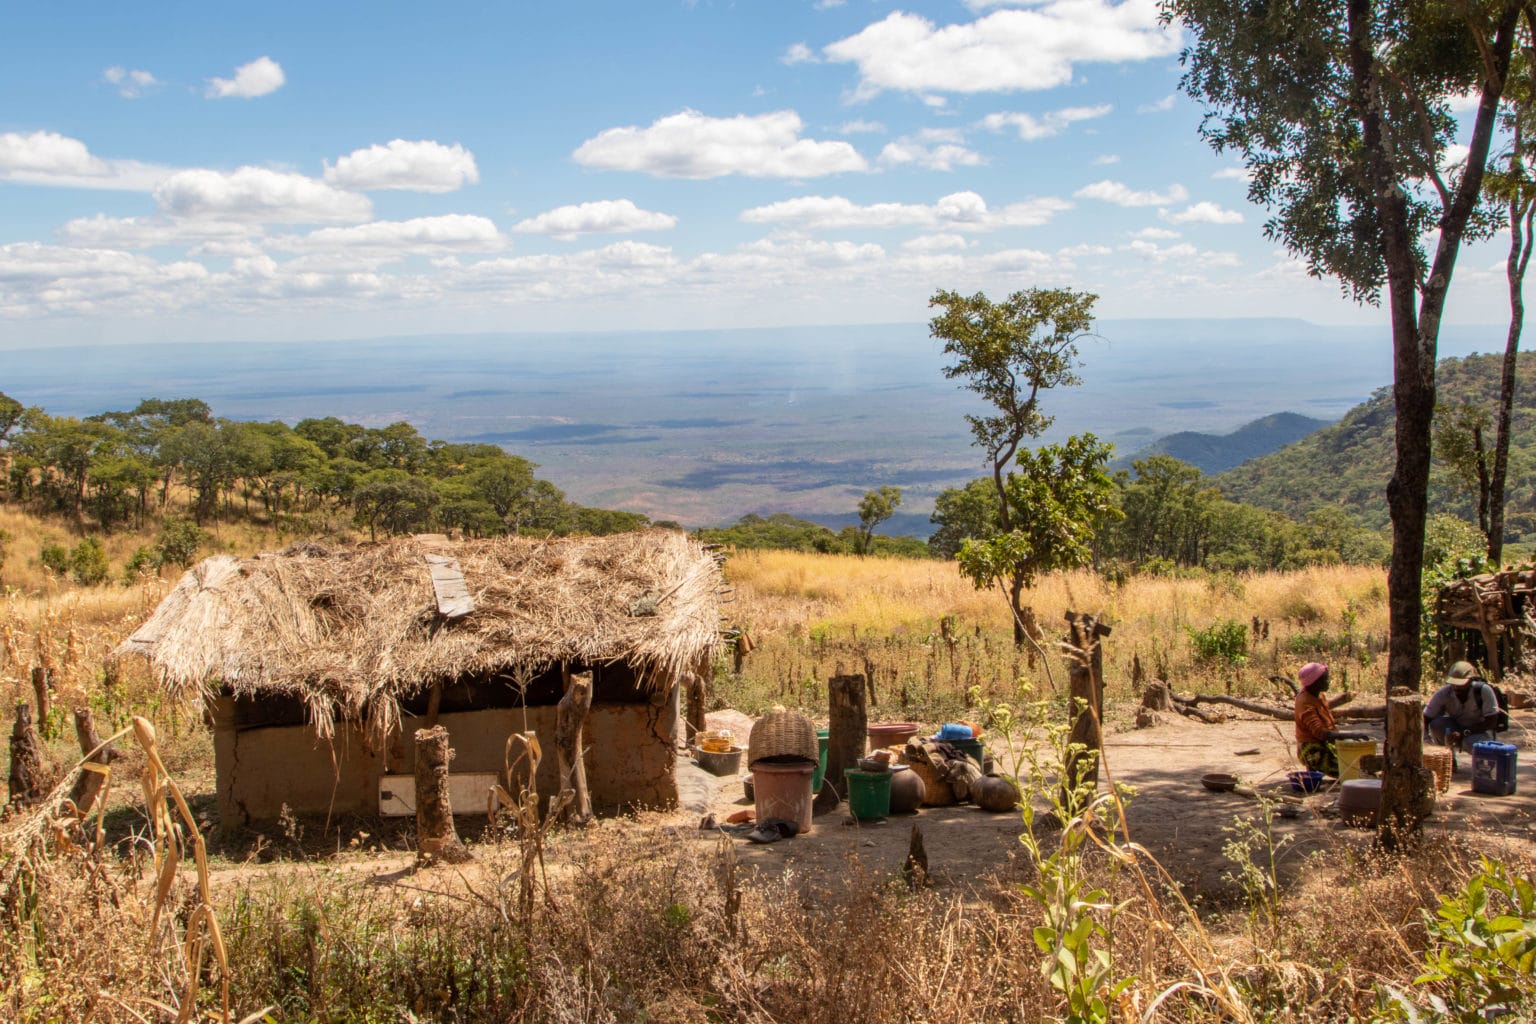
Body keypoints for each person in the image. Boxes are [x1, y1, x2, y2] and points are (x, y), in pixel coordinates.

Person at [1294, 662, 1370, 777]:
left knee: (1356, 765)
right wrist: (1351, 735)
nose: (1328, 681)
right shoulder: (1305, 702)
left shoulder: (1318, 695)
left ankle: (1314, 770)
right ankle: (1313, 764)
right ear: (1315, 682)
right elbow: (1321, 733)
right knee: (1353, 772)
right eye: (1325, 679)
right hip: (1312, 749)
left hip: (1324, 744)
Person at [1423, 661, 1501, 753]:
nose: (1456, 687)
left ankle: (1482, 759)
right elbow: (1426, 716)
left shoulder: (1483, 691)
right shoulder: (1444, 693)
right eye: (1453, 683)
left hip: (1479, 732)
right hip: (1456, 728)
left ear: (1470, 680)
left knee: (1477, 747)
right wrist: (1426, 739)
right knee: (1436, 724)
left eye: (1460, 684)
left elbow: (1491, 722)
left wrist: (1464, 732)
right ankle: (1447, 757)